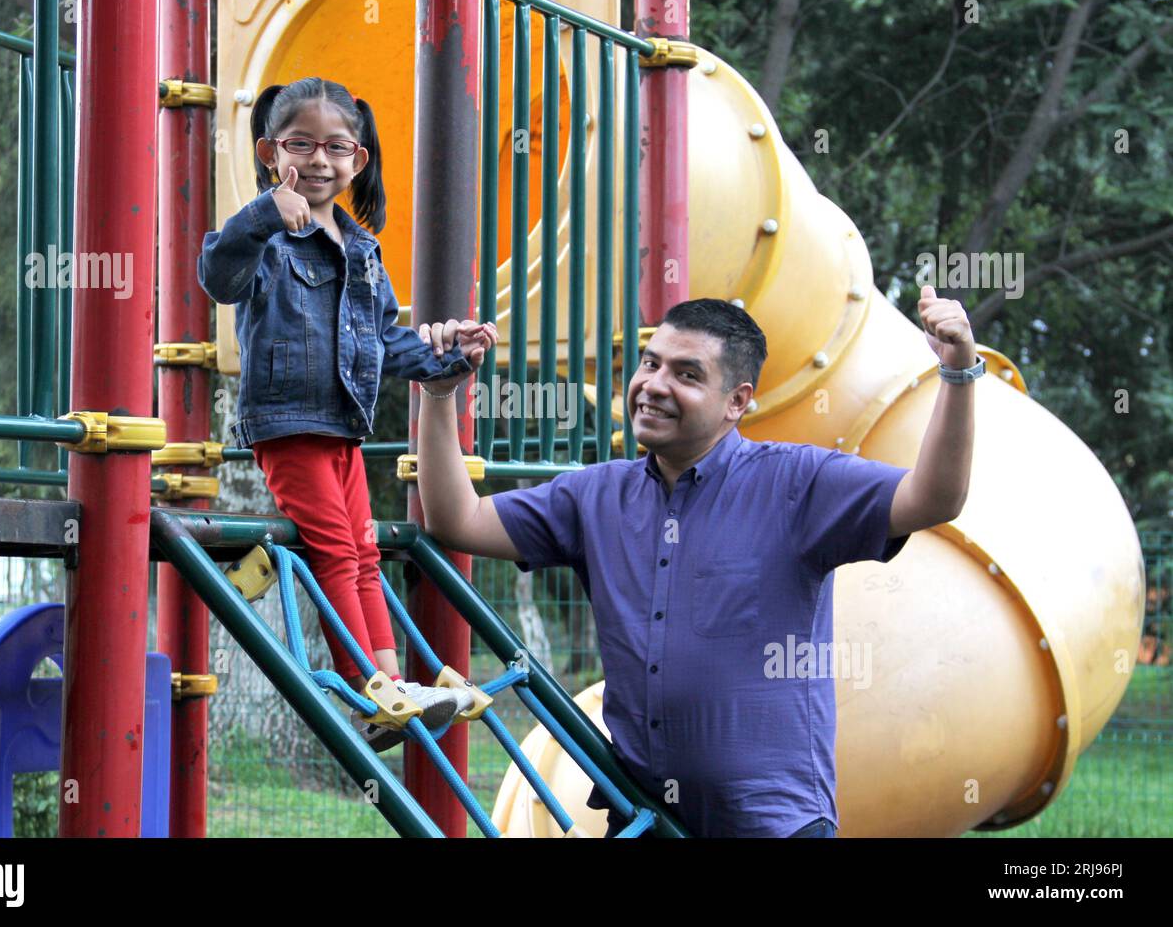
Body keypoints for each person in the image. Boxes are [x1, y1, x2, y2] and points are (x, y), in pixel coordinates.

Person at [413, 291, 978, 836]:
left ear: (737, 401)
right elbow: (457, 518)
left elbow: (932, 499)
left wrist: (957, 375)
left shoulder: (797, 483)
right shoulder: (595, 497)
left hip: (772, 825)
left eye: (686, 375)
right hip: (642, 817)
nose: (653, 386)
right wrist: (439, 396)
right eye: (650, 364)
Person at [197, 77, 497, 751]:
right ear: (272, 152)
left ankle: (387, 683)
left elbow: (388, 342)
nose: (320, 161)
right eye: (301, 145)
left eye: (336, 147)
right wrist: (266, 214)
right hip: (289, 424)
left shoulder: (362, 249)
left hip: (344, 429)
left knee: (362, 552)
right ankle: (366, 684)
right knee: (335, 549)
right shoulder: (265, 235)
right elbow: (218, 274)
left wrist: (451, 357)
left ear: (358, 159)